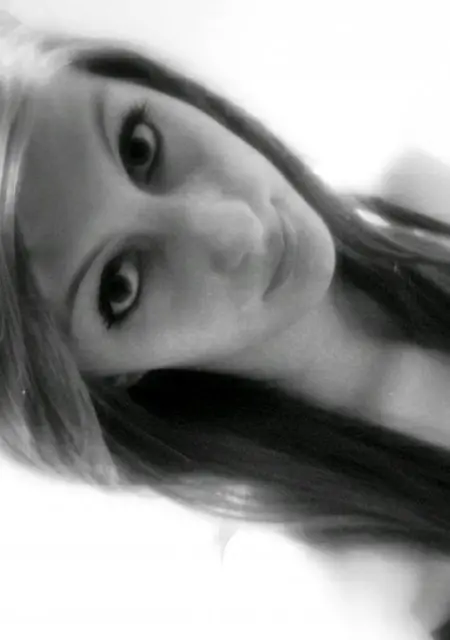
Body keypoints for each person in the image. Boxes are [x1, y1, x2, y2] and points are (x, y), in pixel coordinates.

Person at [2, 11, 450, 637]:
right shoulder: (347, 591)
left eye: (140, 147)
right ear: (104, 380)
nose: (233, 229)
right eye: (120, 284)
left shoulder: (421, 183)